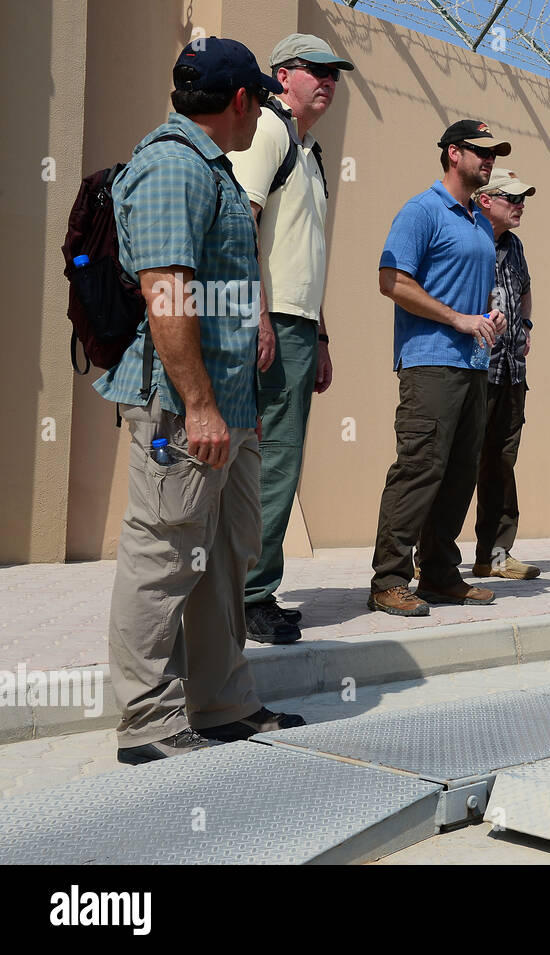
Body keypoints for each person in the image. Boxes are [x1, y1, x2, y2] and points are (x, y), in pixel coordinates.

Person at [93, 38, 305, 764]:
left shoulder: (212, 169)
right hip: (185, 410)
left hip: (228, 405)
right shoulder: (172, 165)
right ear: (241, 100)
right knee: (163, 552)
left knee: (223, 555)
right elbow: (167, 292)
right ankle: (149, 721)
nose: (263, 113)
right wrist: (202, 405)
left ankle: (221, 701)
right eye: (261, 100)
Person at [229, 34, 353, 644]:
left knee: (280, 457)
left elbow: (308, 252)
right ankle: (249, 594)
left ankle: (255, 586)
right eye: (317, 71)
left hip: (299, 324)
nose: (328, 81)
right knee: (270, 460)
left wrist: (322, 333)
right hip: (271, 321)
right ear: (282, 75)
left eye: (335, 73)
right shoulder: (270, 134)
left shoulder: (309, 152)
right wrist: (258, 318)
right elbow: (241, 224)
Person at [369, 120, 509, 616]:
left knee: (459, 474)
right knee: (419, 468)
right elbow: (392, 280)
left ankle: (440, 574)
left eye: (493, 154)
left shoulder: (476, 220)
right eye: (480, 151)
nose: (488, 160)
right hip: (430, 362)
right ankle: (388, 579)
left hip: (474, 364)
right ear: (453, 153)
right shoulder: (422, 210)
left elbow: (465, 293)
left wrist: (486, 316)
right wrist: (456, 318)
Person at [470, 167, 541, 581]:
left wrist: (525, 327)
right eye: (512, 198)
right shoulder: (467, 237)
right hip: (475, 370)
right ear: (486, 200)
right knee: (456, 464)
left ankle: (493, 557)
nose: (520, 205)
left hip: (512, 372)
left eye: (522, 199)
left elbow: (525, 291)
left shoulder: (513, 246)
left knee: (501, 465)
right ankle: (431, 558)